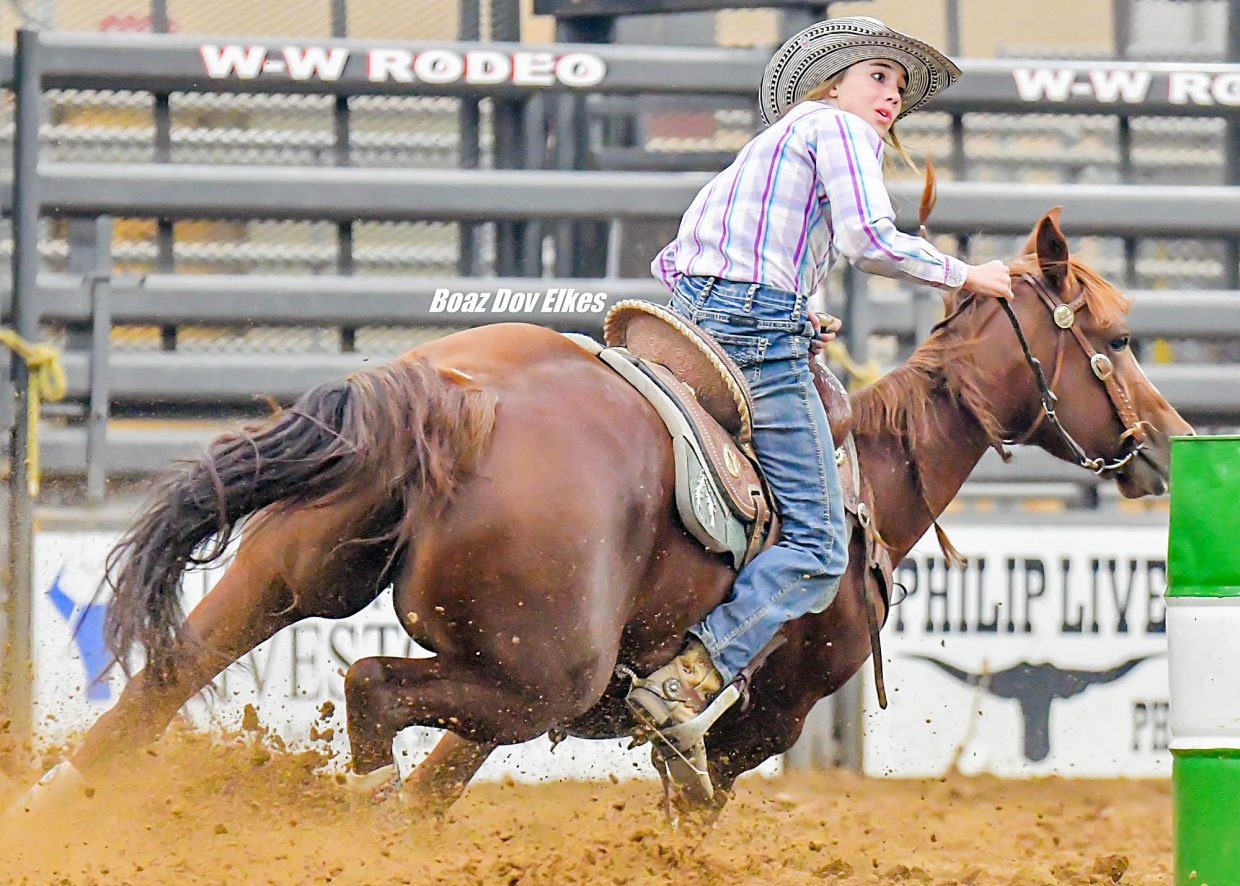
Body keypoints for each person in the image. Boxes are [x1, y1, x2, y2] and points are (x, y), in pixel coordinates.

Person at [627, 16, 1015, 733]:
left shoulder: (772, 143)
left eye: (899, 88)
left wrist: (800, 311)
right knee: (815, 546)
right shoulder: (842, 131)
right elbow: (869, 240)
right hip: (756, 335)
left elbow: (682, 257)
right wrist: (968, 275)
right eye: (878, 77)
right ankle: (693, 675)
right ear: (835, 85)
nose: (891, 96)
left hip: (690, 317)